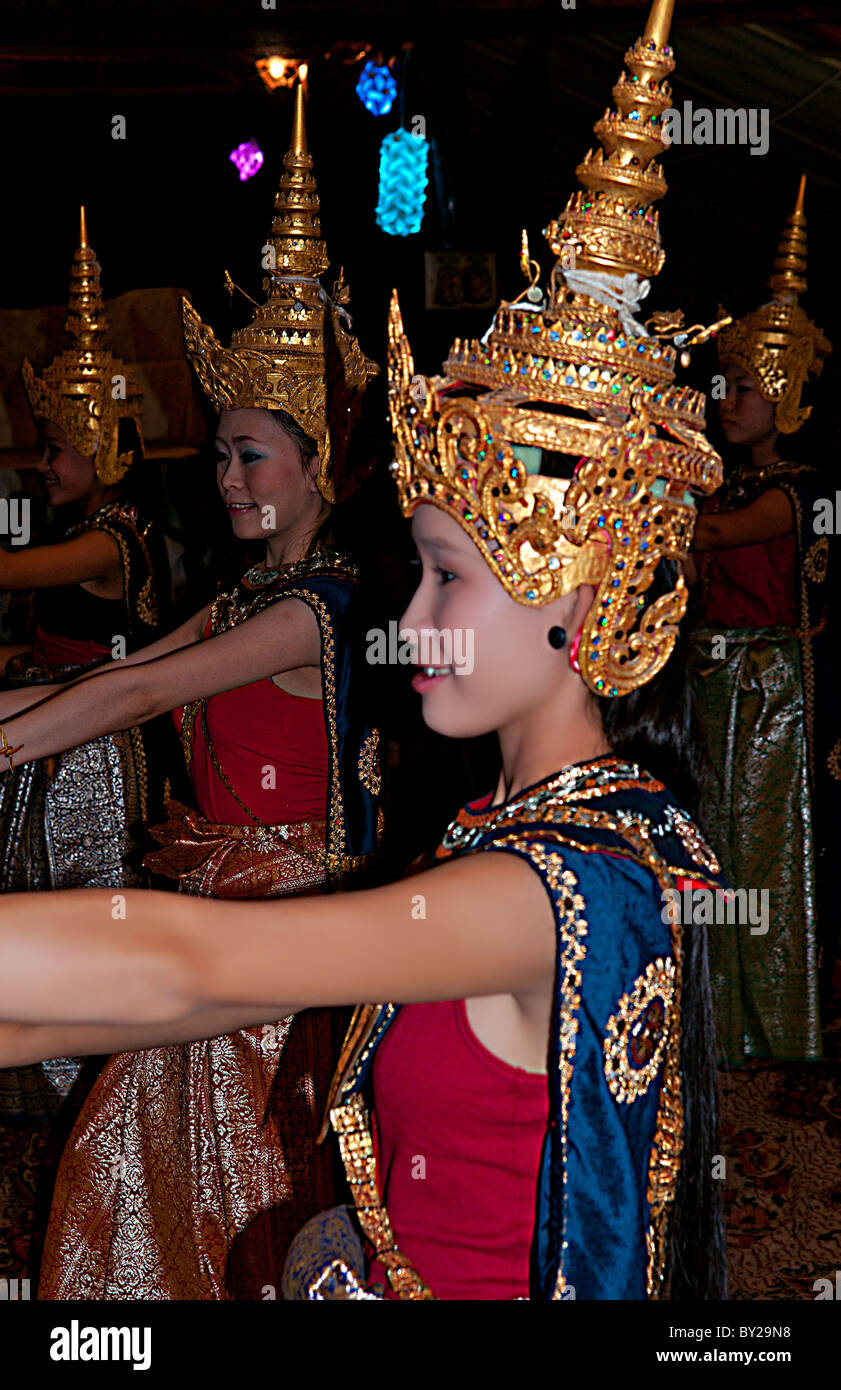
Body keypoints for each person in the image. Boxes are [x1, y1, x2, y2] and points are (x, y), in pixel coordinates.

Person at [0, 0, 728, 1300]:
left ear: (592, 606)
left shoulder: (545, 887)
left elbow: (193, 966)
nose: (416, 617)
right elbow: (168, 988)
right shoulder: (542, 833)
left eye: (450, 575)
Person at [0, 82, 382, 1299]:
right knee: (134, 1165)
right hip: (210, 902)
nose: (223, 475)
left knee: (235, 1203)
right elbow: (136, 671)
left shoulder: (309, 612)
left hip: (277, 932)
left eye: (250, 453)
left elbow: (120, 704)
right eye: (219, 451)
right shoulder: (257, 590)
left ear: (319, 467)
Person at [0, 211, 172, 1278]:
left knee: (82, 906)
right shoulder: (73, 526)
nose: (46, 460)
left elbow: (19, 577)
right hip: (44, 747)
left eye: (59, 443)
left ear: (104, 443)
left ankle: (86, 1108)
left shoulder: (115, 538)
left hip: (98, 762)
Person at [686, 176, 838, 1063]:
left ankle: (772, 1035)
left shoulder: (797, 493)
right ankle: (716, 1025)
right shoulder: (725, 479)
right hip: (711, 683)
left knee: (760, 856)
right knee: (709, 851)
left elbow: (709, 538)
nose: (727, 399)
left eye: (744, 386)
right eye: (725, 384)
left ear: (783, 395)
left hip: (767, 695)